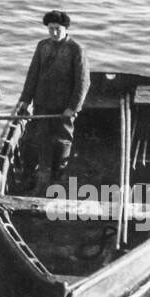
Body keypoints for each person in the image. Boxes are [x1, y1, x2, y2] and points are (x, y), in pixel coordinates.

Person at [18, 10, 90, 193]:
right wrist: (25, 100)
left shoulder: (76, 50)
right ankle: (32, 175)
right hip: (42, 103)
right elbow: (32, 74)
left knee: (62, 140)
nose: (54, 33)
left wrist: (73, 107)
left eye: (57, 29)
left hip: (63, 108)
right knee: (35, 139)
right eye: (50, 29)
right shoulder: (42, 46)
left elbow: (83, 82)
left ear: (66, 28)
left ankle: (59, 175)